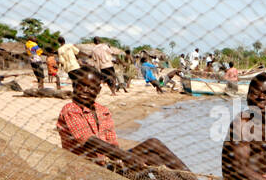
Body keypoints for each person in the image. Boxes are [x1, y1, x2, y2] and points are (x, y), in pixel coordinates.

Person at [56, 67, 190, 174]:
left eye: (91, 87)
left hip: (107, 163)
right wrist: (126, 157)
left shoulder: (103, 111)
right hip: (85, 167)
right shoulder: (71, 110)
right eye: (80, 86)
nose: (84, 91)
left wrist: (122, 159)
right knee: (146, 152)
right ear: (74, 86)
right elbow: (90, 141)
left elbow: (112, 144)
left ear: (98, 90)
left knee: (153, 148)